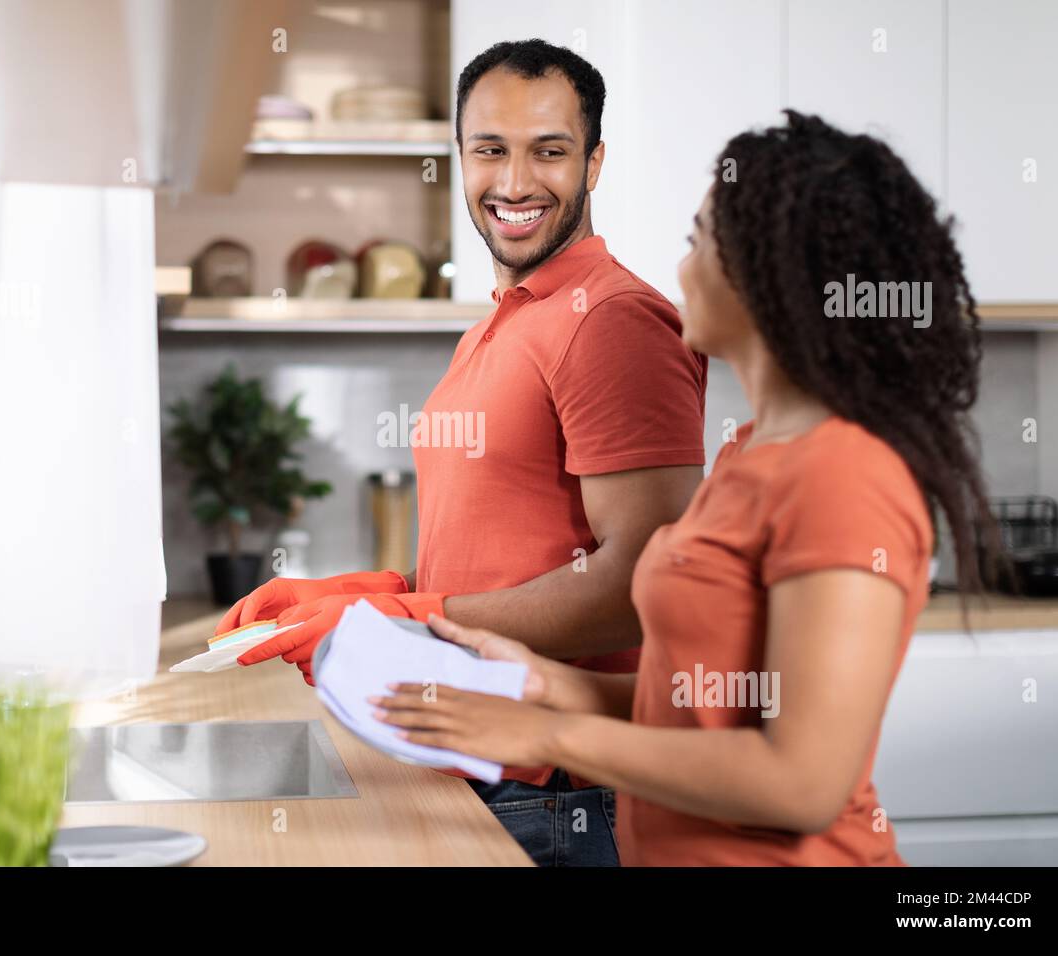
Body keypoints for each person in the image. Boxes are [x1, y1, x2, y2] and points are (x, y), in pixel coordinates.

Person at [370, 110, 999, 866]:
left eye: (698, 242)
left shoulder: (843, 476)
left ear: (772, 274)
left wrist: (549, 736)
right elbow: (698, 711)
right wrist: (539, 683)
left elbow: (802, 782)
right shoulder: (747, 458)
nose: (680, 271)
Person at [217, 39, 708, 867]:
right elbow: (504, 555)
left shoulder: (613, 320)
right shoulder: (496, 325)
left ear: (594, 164)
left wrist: (413, 621)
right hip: (484, 762)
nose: (515, 183)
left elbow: (646, 585)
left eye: (549, 151)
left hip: (565, 788)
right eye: (490, 150)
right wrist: (372, 592)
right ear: (460, 160)